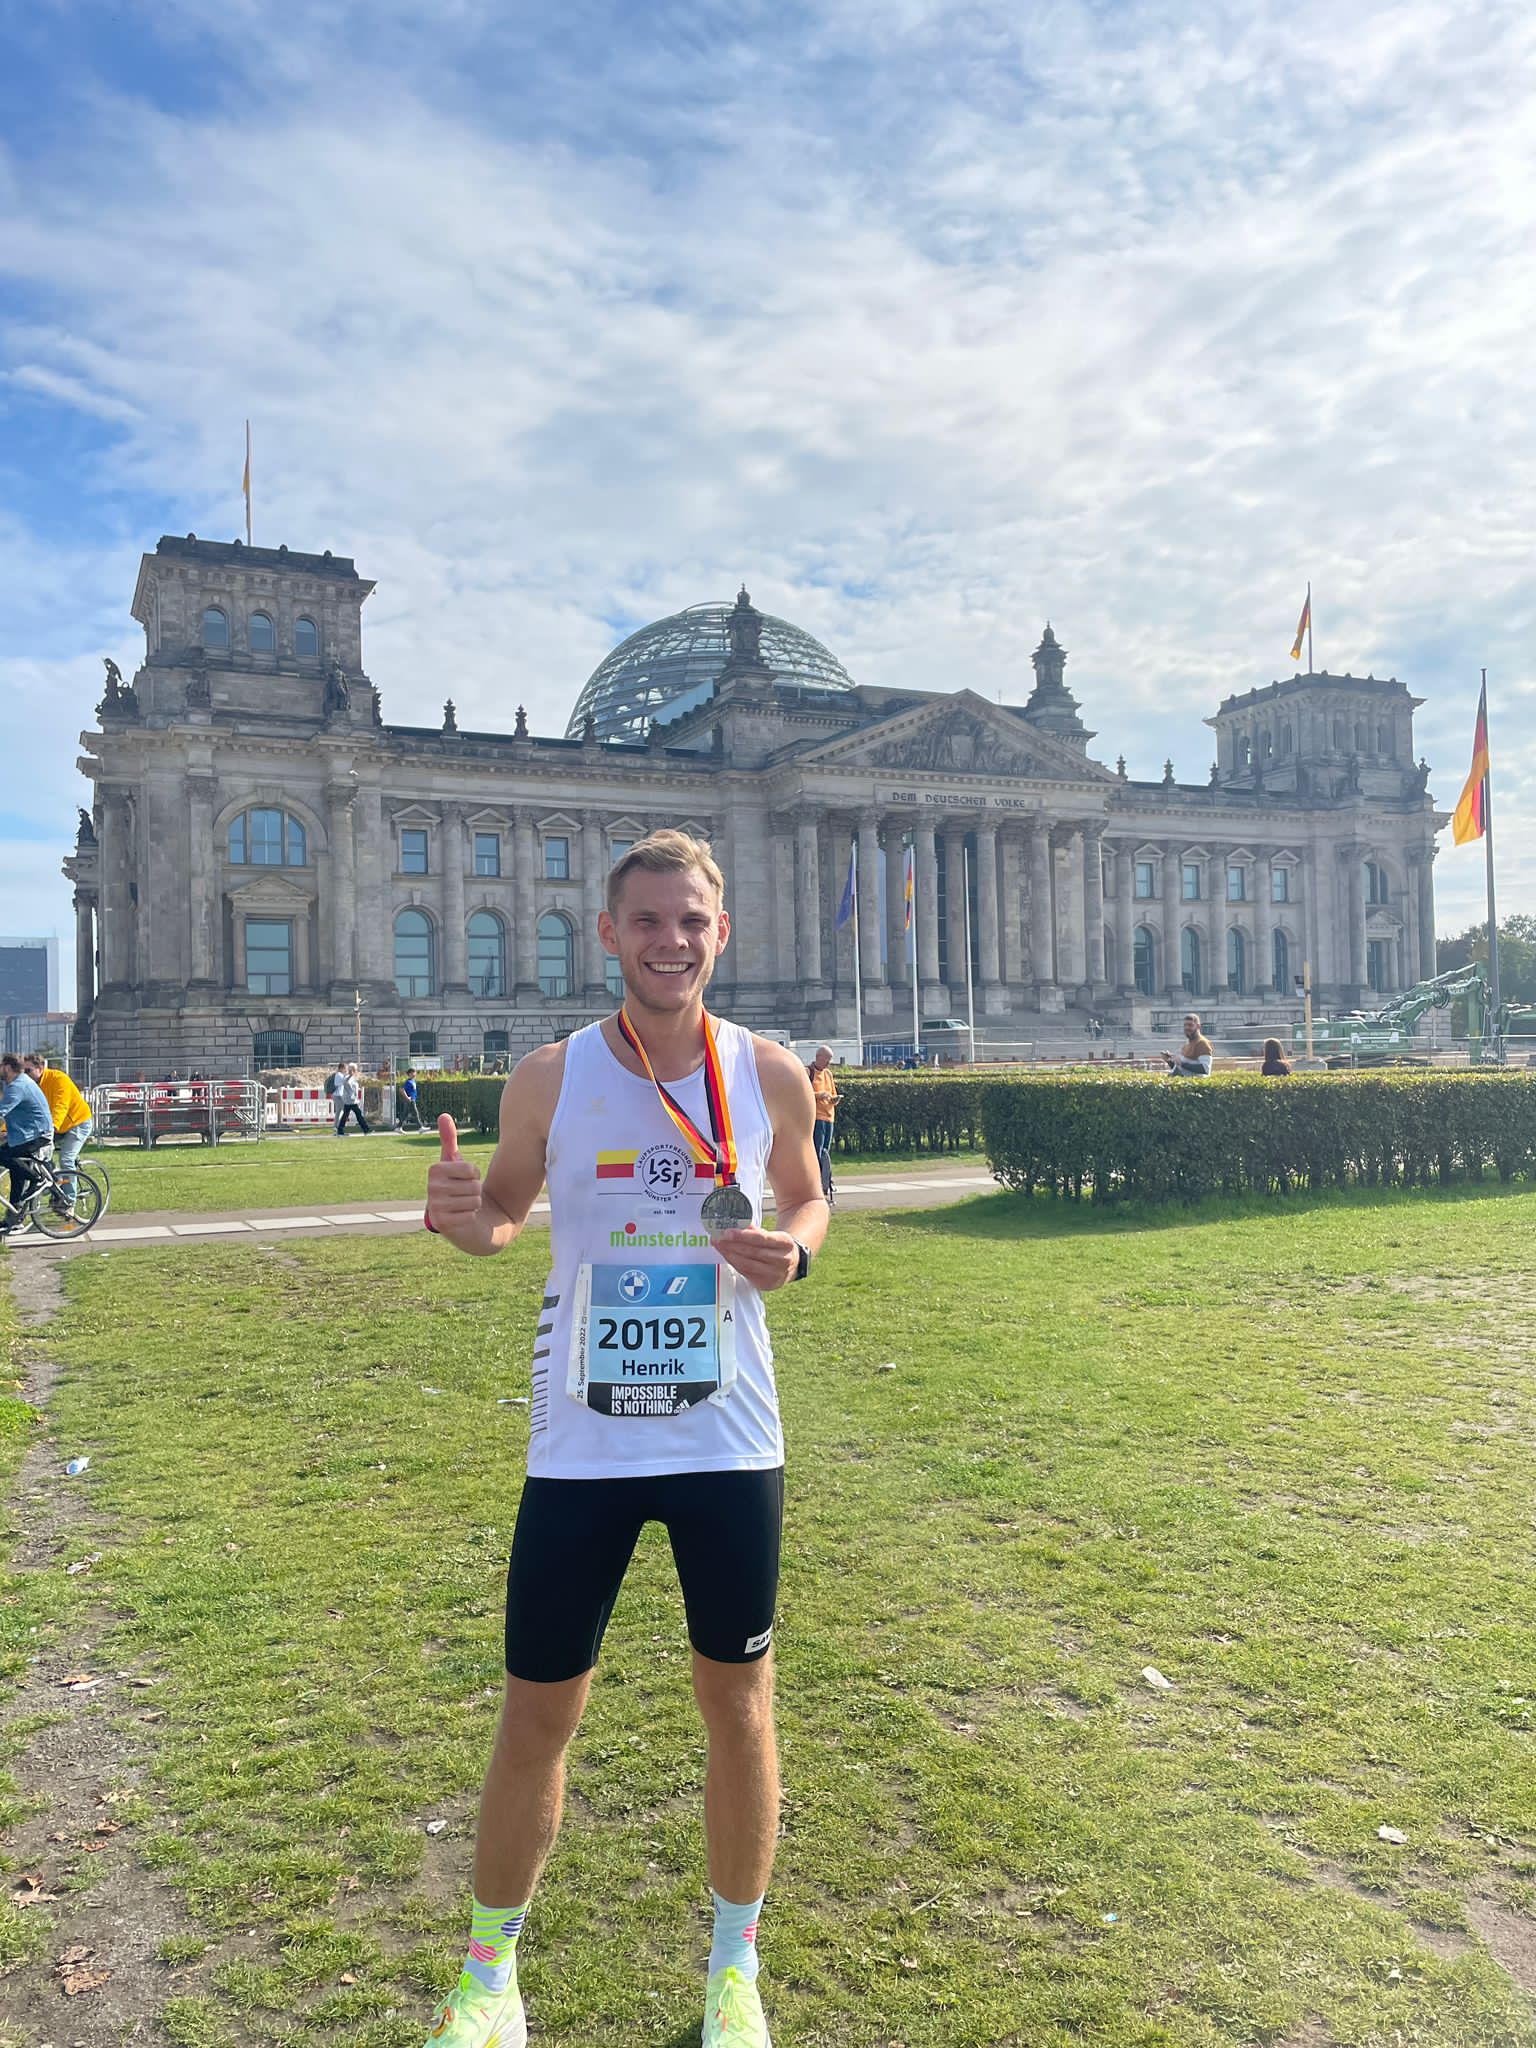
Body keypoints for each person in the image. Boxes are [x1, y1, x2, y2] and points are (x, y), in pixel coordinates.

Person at [420, 828, 828, 2048]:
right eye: (647, 920)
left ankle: (733, 1969)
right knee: (536, 1710)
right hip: (583, 1446)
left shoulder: (767, 1073)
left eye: (690, 920)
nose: (670, 940)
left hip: (727, 1441)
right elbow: (500, 1213)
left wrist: (796, 1245)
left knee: (739, 1702)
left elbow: (808, 1189)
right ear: (610, 933)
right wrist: (461, 1219)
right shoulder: (548, 1076)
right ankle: (490, 1977)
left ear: (722, 932)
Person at [22, 1053, 93, 1204]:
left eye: (28, 1071)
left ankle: (69, 1201)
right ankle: (54, 1181)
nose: (25, 1075)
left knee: (66, 1159)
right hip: (54, 1127)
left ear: (40, 1068)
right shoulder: (30, 1086)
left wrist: (52, 1127)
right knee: (36, 1156)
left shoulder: (58, 1079)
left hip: (77, 1123)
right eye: (23, 1071)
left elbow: (60, 1106)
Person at [0, 1054, 55, 1237]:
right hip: (25, 1134)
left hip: (37, 1135)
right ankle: (14, 1219)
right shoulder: (16, 1083)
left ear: (7, 1067)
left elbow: (1, 1112)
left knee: (5, 1156)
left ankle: (38, 1179)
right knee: (16, 1174)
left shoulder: (17, 1086)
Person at [808, 1043, 838, 1204]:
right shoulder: (809, 1072)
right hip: (816, 1117)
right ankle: (817, 1185)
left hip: (829, 1117)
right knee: (817, 1152)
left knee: (825, 1153)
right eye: (827, 1059)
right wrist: (819, 1095)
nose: (828, 1063)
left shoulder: (828, 1074)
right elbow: (803, 1093)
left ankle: (826, 1181)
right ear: (819, 1057)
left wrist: (834, 1099)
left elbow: (832, 1093)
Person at [1162, 1013, 1214, 1078]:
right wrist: (1169, 1061)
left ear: (1198, 1027)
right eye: (1185, 1025)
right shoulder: (1187, 1043)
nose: (1187, 1028)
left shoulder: (1202, 1043)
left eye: (1190, 1025)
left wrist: (1181, 1063)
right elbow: (1182, 1069)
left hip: (1195, 1085)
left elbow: (1205, 1069)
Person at [334, 1061, 370, 1136]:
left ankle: (340, 1130)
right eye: (355, 1069)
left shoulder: (352, 1077)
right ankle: (366, 1129)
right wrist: (350, 1075)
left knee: (347, 1115)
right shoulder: (348, 1077)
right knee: (357, 1115)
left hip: (352, 1100)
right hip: (350, 1100)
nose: (356, 1071)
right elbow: (345, 1082)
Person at [400, 1066, 424, 1131]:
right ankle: (420, 1127)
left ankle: (398, 1127)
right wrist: (407, 1097)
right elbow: (402, 1089)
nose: (414, 1074)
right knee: (416, 1113)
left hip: (412, 1100)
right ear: (409, 1074)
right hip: (410, 1100)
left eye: (414, 1072)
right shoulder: (408, 1082)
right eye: (412, 1073)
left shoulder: (413, 1081)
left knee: (405, 1114)